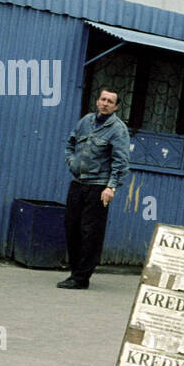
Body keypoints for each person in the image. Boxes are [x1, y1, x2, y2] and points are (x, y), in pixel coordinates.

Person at [59, 88, 131, 289]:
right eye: (102, 99)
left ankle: (81, 278)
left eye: (110, 101)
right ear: (97, 101)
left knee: (90, 232)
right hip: (78, 183)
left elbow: (121, 162)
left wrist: (111, 188)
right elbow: (70, 144)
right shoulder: (86, 121)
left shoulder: (118, 129)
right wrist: (72, 162)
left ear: (116, 107)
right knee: (72, 228)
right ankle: (75, 272)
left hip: (98, 187)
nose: (105, 103)